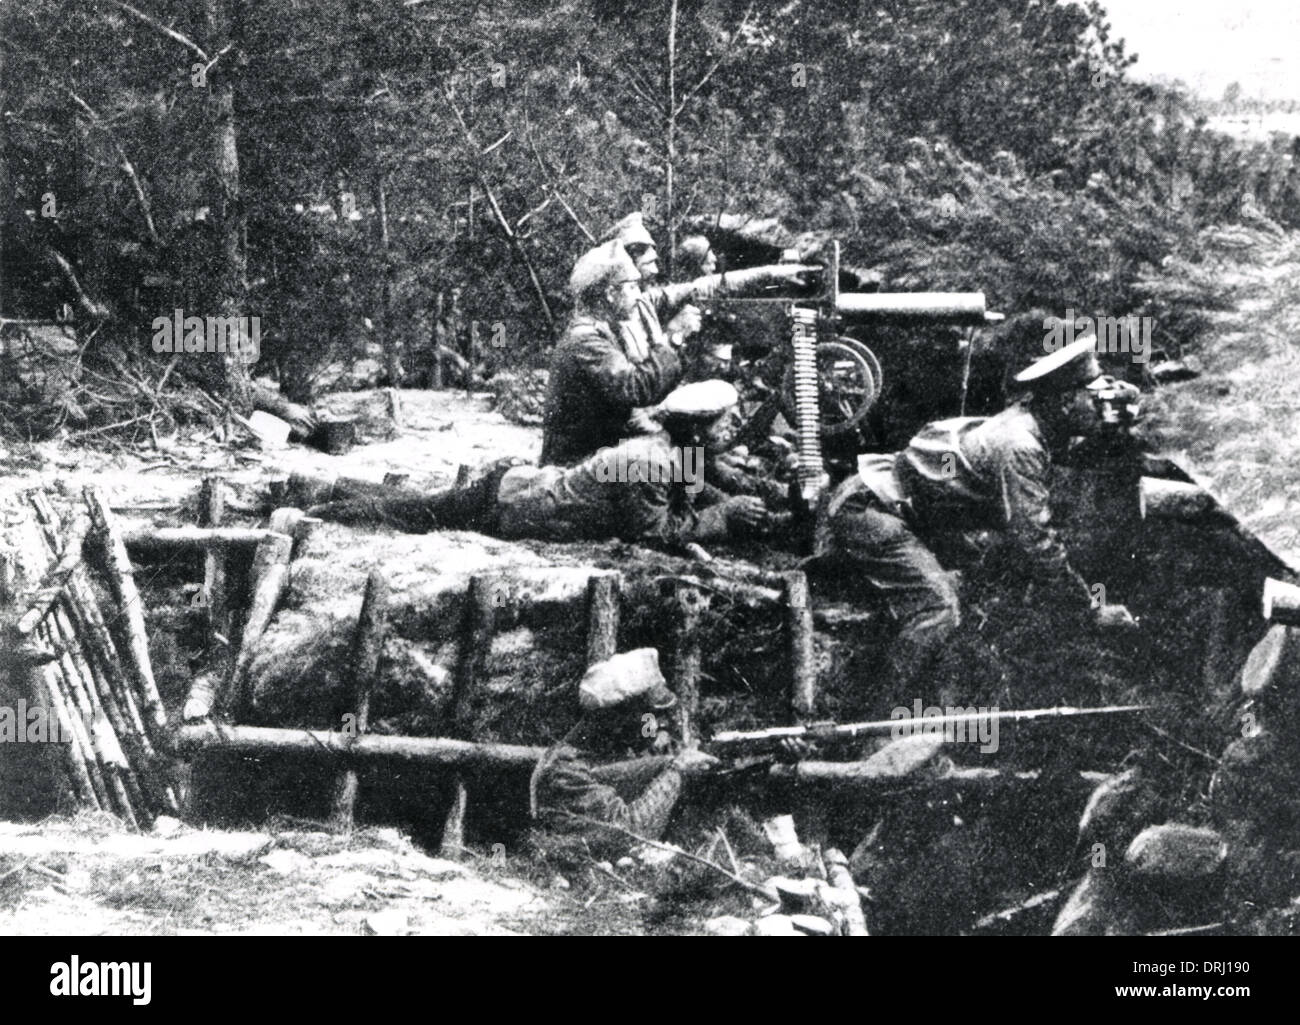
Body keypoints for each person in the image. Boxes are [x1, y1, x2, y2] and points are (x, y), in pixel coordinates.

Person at [818, 325, 1139, 694]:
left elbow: (1079, 453)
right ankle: (874, 718)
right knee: (939, 611)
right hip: (873, 509)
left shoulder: (1029, 421)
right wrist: (1090, 607)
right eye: (1095, 401)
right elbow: (1034, 539)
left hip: (893, 502)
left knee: (978, 576)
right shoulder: (1020, 445)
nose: (1101, 411)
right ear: (1067, 401)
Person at [307, 380, 771, 546]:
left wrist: (742, 504)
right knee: (410, 517)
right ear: (695, 429)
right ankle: (319, 516)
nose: (731, 432)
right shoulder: (648, 462)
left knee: (421, 506)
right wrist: (721, 518)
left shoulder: (672, 451)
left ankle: (335, 489)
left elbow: (699, 491)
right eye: (723, 425)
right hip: (514, 507)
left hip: (519, 487)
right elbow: (649, 533)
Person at [529, 648, 719, 858]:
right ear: (618, 718)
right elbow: (628, 833)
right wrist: (678, 770)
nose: (654, 726)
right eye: (649, 717)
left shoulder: (605, 752)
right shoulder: (564, 771)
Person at [540, 239, 684, 467]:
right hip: (575, 467)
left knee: (687, 469)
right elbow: (636, 387)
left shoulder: (601, 333)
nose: (639, 296)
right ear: (610, 293)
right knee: (682, 471)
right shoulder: (586, 340)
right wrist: (673, 339)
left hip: (598, 456)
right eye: (632, 287)